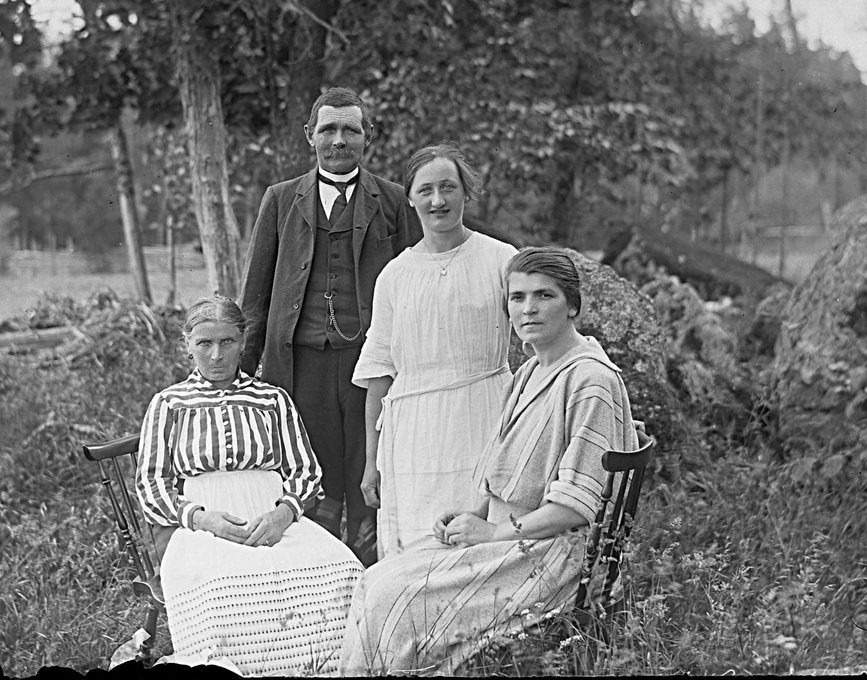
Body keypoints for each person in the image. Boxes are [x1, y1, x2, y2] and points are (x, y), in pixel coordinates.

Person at [338, 247, 641, 676]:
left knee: (395, 599)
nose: (528, 309)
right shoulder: (529, 373)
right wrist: (472, 514)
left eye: (544, 296)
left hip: (548, 553)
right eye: (517, 298)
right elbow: (500, 472)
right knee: (375, 579)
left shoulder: (590, 380)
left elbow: (575, 507)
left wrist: (493, 531)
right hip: (510, 539)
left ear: (573, 305)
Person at [136, 296, 364, 675]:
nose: (216, 355)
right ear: (187, 346)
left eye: (227, 342)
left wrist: (282, 514)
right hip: (204, 527)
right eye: (204, 344)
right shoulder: (170, 403)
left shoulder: (270, 399)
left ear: (243, 342)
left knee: (343, 574)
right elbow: (150, 483)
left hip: (274, 519)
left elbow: (306, 471)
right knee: (225, 591)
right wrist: (202, 520)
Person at [240, 87, 420, 566]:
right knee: (310, 486)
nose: (339, 140)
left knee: (370, 481)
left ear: (369, 137)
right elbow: (256, 295)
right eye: (328, 130)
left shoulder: (396, 202)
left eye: (350, 130)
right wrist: (240, 373)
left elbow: (416, 289)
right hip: (300, 369)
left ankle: (370, 589)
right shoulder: (280, 200)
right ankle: (315, 589)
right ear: (309, 136)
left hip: (373, 370)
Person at [351, 142, 518, 559]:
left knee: (476, 542)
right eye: (425, 190)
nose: (438, 200)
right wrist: (372, 463)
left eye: (448, 187)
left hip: (484, 419)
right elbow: (379, 372)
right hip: (413, 434)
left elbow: (540, 341)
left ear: (467, 192)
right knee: (417, 551)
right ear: (410, 198)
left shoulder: (502, 260)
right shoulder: (395, 275)